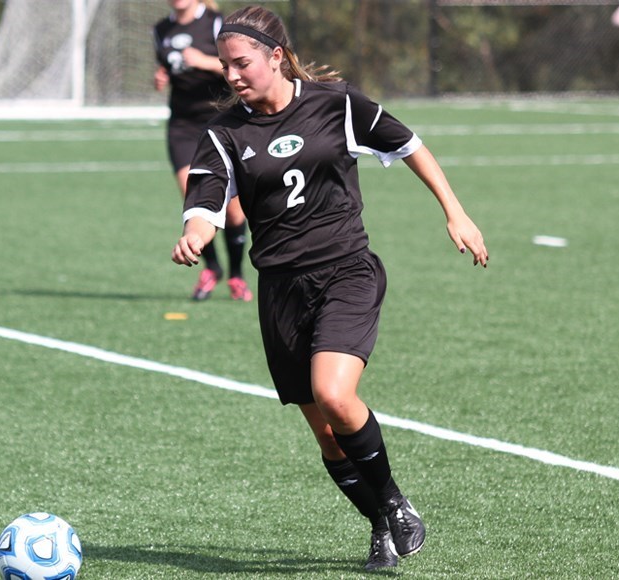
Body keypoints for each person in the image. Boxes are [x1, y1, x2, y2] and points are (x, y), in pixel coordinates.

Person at [170, 5, 489, 572]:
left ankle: (394, 503)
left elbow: (409, 142)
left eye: (242, 63)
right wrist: (194, 235)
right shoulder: (223, 134)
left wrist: (455, 212)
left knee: (336, 395)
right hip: (282, 293)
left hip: (345, 272)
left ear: (276, 56)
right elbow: (204, 204)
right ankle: (379, 525)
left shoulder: (336, 103)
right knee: (327, 435)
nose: (232, 75)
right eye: (225, 66)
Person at [154, 0, 253, 302]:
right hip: (182, 125)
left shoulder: (214, 23)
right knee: (193, 194)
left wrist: (203, 60)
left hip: (219, 120)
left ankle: (236, 276)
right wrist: (162, 76)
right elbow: (168, 66)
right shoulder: (160, 29)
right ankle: (211, 267)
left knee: (234, 207)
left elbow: (235, 64)